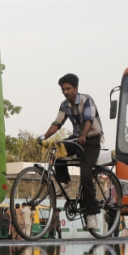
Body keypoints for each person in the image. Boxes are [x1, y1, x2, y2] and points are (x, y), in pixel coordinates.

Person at [38, 74, 103, 231]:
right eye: (63, 89)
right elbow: (57, 123)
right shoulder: (65, 105)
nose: (65, 92)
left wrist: (83, 136)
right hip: (76, 138)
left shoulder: (86, 100)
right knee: (57, 149)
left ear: (76, 88)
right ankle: (65, 183)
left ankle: (91, 214)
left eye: (68, 88)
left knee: (85, 175)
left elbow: (88, 120)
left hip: (91, 140)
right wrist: (44, 137)